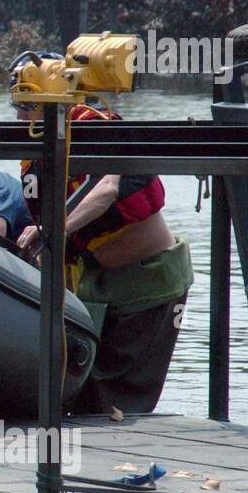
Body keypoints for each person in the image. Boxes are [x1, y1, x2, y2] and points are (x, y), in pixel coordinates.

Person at [13, 100, 194, 415]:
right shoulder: (40, 156)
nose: (20, 116)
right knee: (84, 390)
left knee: (118, 398)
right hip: (102, 286)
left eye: (29, 106)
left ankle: (117, 456)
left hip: (151, 282)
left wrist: (55, 229)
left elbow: (107, 189)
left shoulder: (96, 126)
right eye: (16, 106)